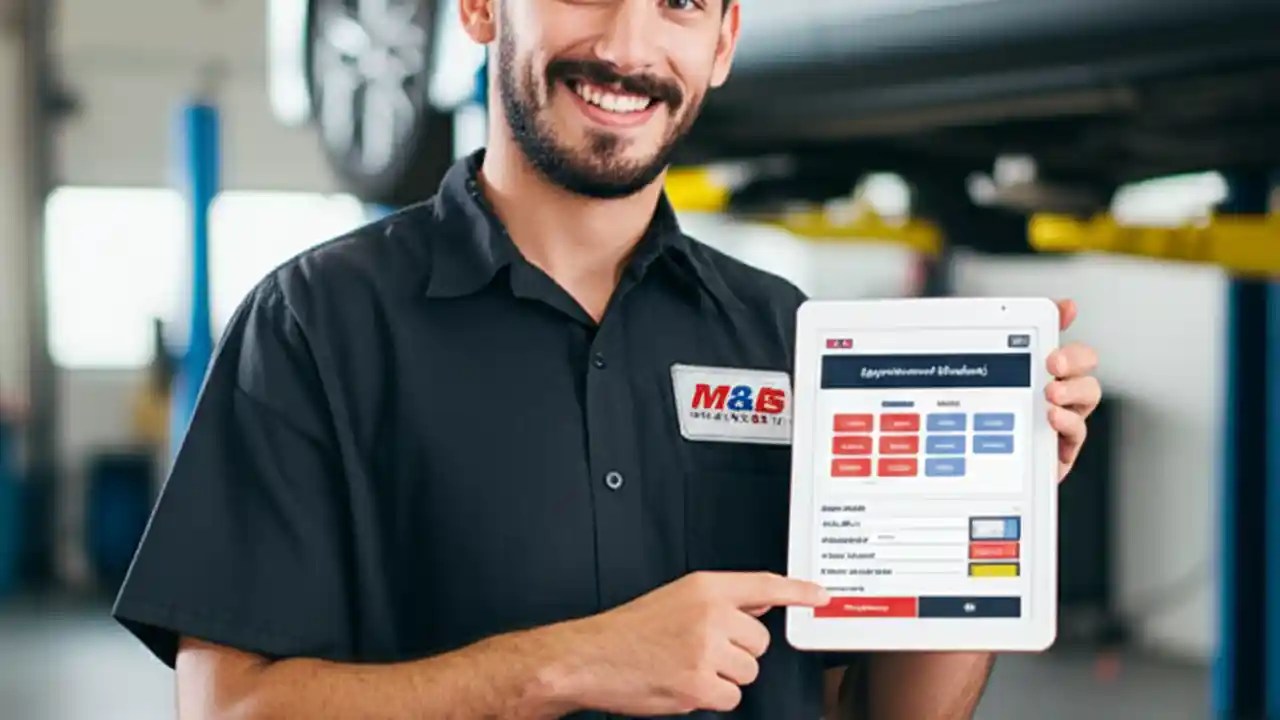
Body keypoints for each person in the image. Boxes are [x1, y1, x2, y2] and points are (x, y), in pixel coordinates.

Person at [113, 0, 1103, 717]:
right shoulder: (316, 324)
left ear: (720, 43)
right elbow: (231, 711)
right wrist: (566, 666)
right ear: (478, 9)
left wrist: (988, 509)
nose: (628, 46)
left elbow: (876, 708)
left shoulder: (786, 336)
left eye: (677, 6)